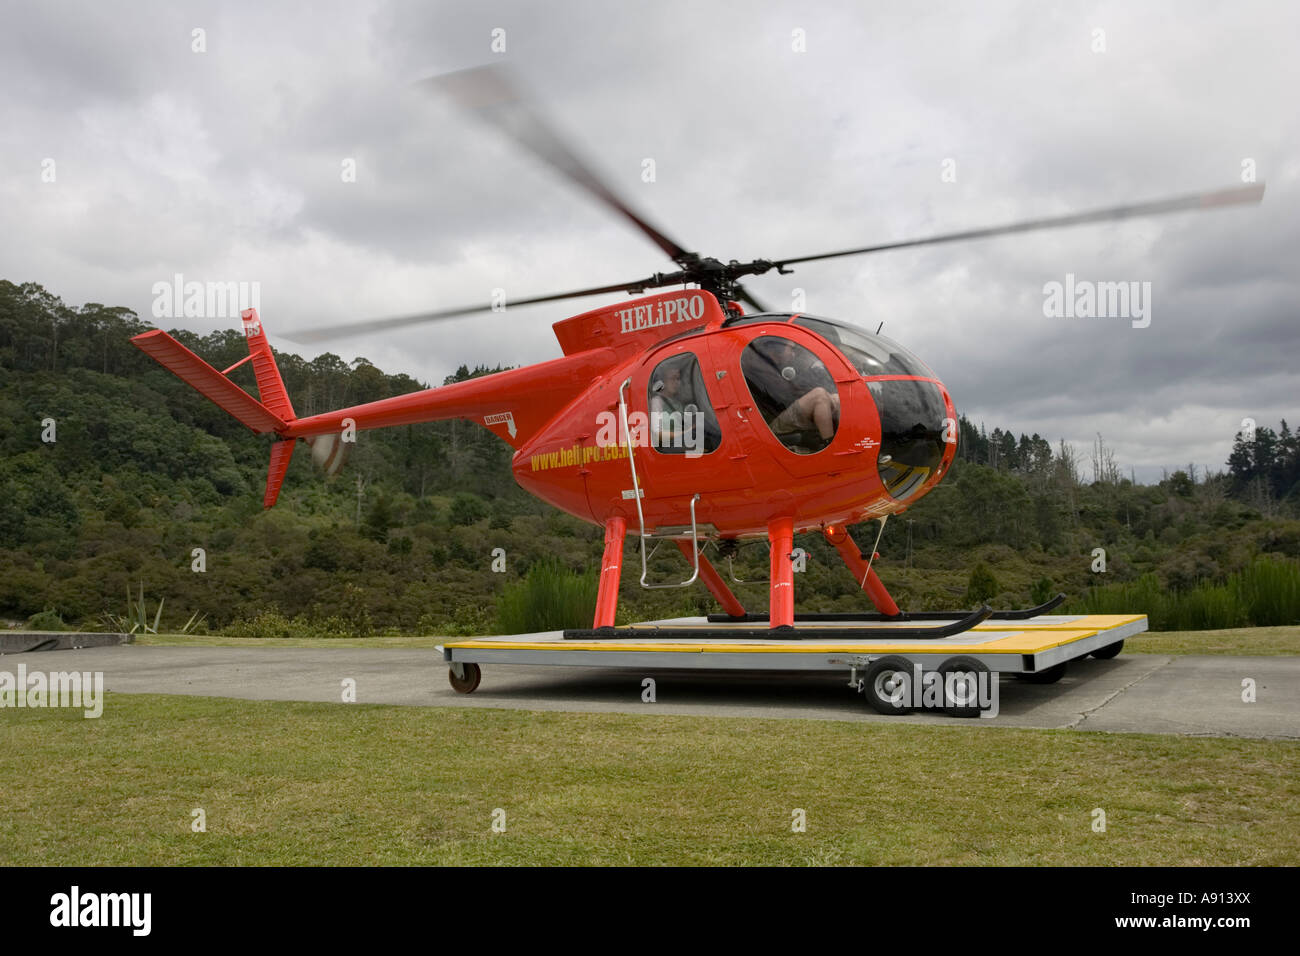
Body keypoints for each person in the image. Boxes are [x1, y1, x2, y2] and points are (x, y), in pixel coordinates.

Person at [744, 338, 839, 450]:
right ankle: (830, 445)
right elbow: (782, 397)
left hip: (781, 413)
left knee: (836, 398)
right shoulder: (762, 369)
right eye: (791, 349)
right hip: (770, 425)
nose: (793, 354)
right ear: (778, 350)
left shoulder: (774, 367)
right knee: (819, 395)